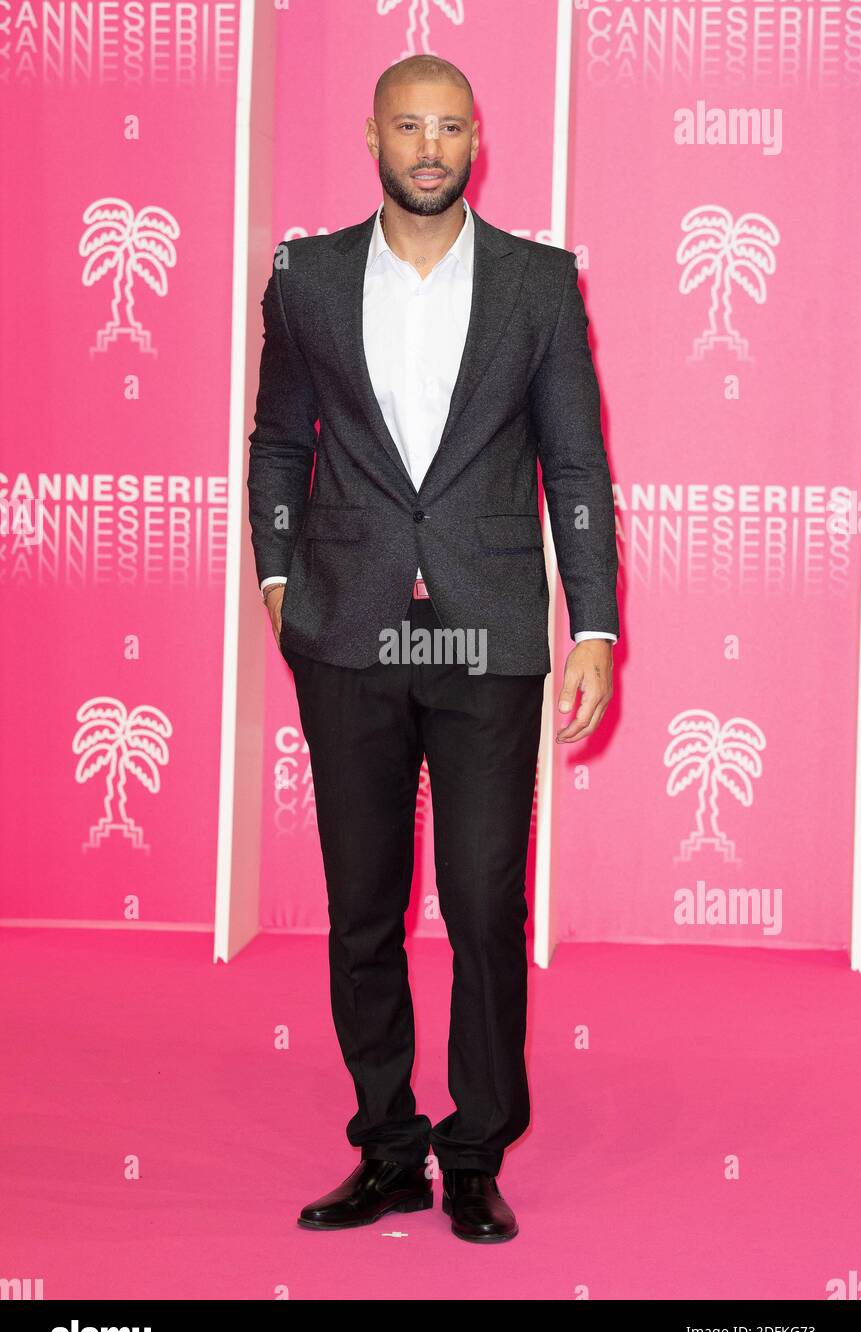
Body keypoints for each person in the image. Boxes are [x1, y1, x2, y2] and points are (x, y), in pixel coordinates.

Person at [247, 54, 619, 1243]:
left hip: (487, 633)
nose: (427, 145)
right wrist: (274, 572)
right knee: (359, 907)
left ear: (476, 141)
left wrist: (594, 623)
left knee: (479, 900)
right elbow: (273, 443)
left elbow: (573, 465)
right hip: (346, 627)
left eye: (448, 126)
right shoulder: (303, 277)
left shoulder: (539, 284)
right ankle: (388, 1148)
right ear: (370, 137)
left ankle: (474, 1151)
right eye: (407, 124)